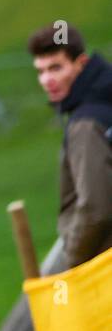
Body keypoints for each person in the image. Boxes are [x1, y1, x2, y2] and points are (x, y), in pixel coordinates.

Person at [28, 24, 112, 269]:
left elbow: (95, 210)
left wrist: (72, 260)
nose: (47, 80)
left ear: (81, 63)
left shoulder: (85, 125)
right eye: (41, 71)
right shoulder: (105, 103)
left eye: (56, 67)